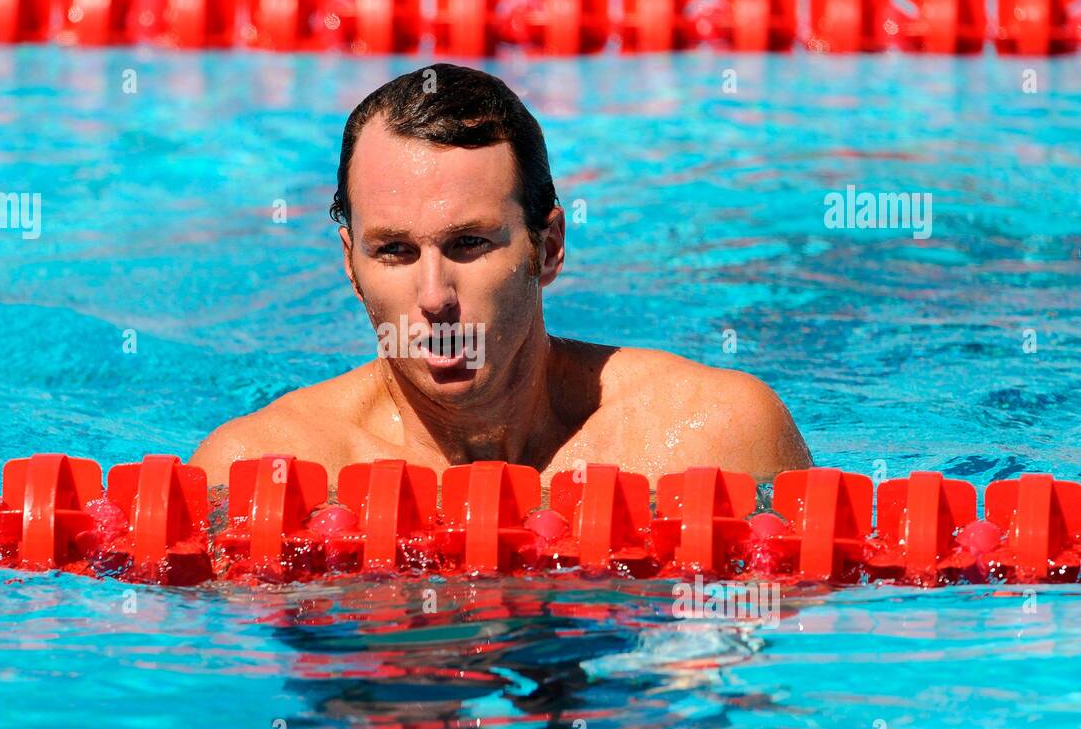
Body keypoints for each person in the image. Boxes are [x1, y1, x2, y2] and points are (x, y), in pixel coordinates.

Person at [192, 63, 811, 487]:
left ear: (548, 249)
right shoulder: (264, 470)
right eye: (394, 252)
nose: (434, 297)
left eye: (468, 244)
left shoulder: (716, 439)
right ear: (350, 266)